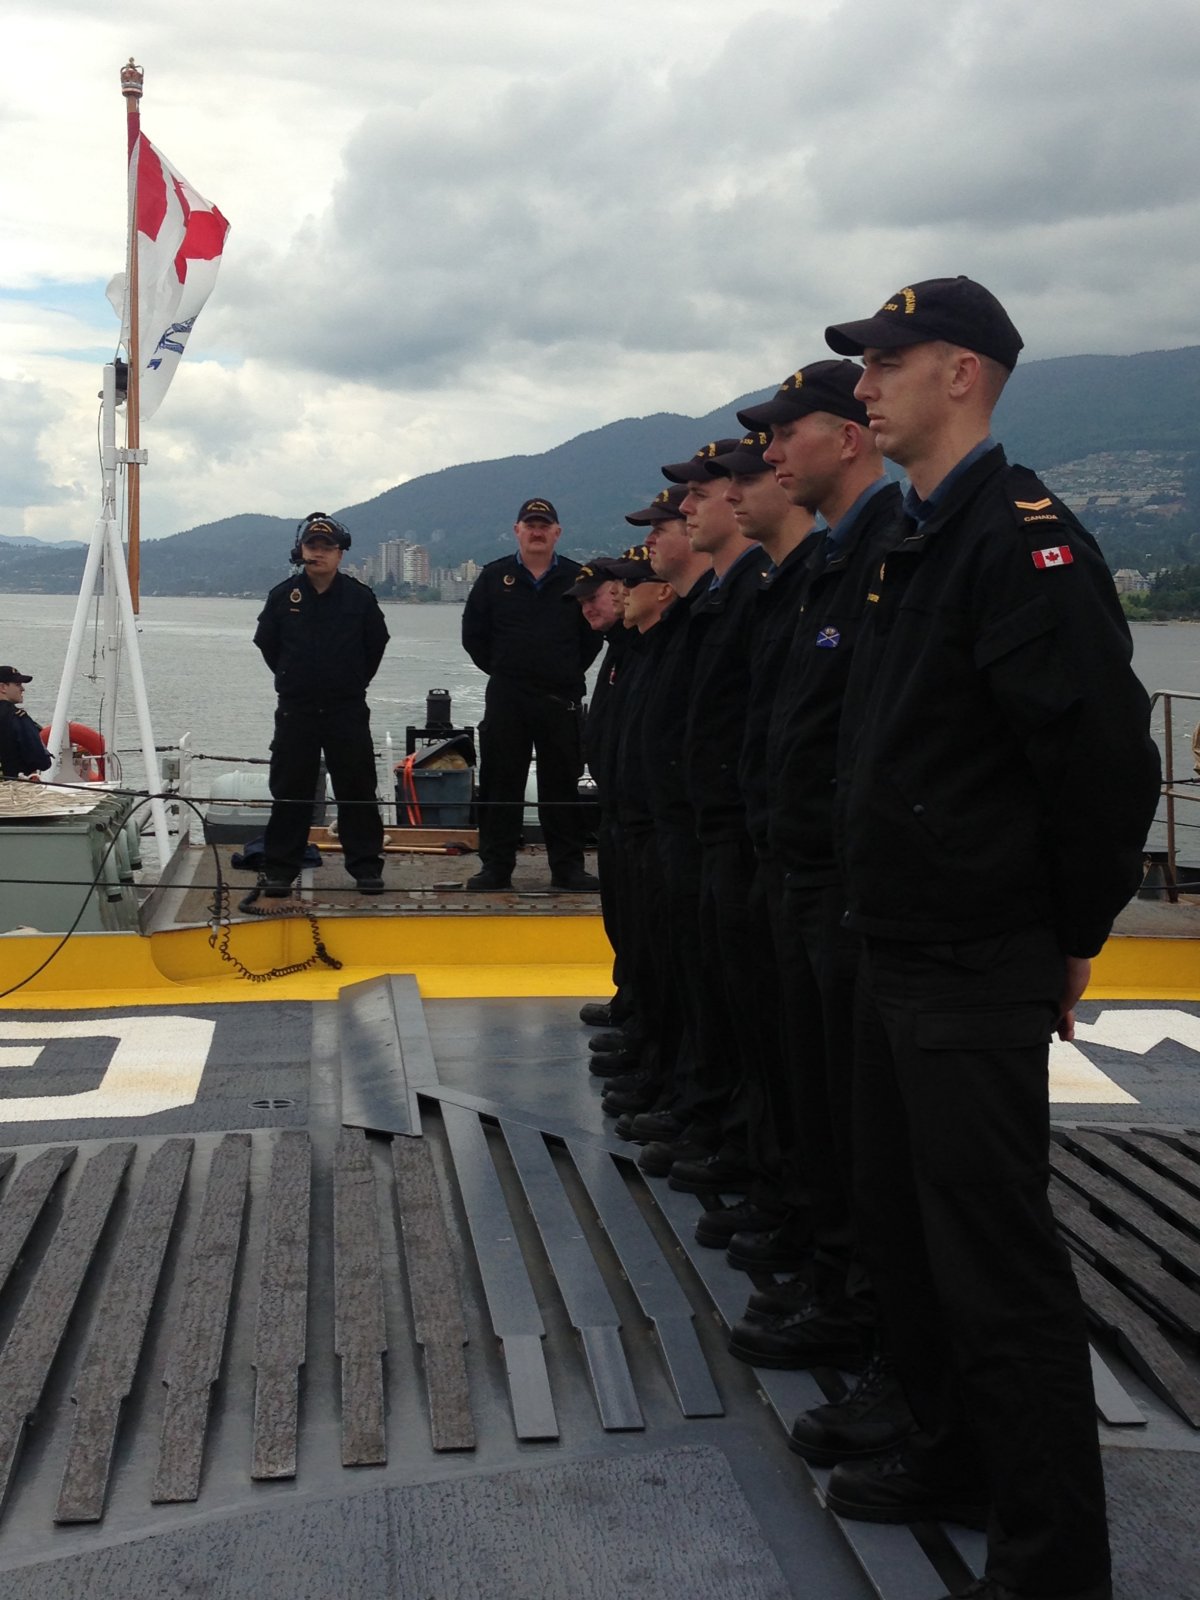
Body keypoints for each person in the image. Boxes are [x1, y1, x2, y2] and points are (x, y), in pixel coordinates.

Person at [820, 277, 1161, 1600]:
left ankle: (1051, 1561)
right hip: (902, 947)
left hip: (974, 961)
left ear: (959, 372)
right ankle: (950, 1453)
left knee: (1001, 1278)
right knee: (916, 1244)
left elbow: (1102, 766)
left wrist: (1069, 932)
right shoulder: (922, 536)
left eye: (885, 363)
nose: (865, 387)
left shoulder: (1022, 542)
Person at [461, 498, 603, 892]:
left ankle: (568, 868)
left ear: (557, 533)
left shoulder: (578, 579)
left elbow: (592, 636)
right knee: (500, 783)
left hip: (560, 697)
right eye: (530, 524)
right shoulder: (494, 577)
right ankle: (496, 868)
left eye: (545, 525)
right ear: (517, 530)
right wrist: (507, 669)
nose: (537, 531)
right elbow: (473, 636)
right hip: (508, 696)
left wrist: (563, 671)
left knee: (563, 785)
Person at [252, 513, 389, 899]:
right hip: (297, 710)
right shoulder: (283, 597)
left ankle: (366, 868)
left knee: (357, 789)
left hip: (346, 709)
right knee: (291, 791)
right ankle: (280, 869)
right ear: (302, 550)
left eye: (327, 548)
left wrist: (350, 681)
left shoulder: (359, 598)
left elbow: (375, 645)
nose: (320, 554)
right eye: (313, 547)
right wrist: (293, 678)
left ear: (340, 554)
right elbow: (268, 644)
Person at [0, 666, 54, 779]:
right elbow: (41, 761)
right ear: (3, 687)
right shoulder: (17, 718)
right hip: (14, 788)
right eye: (18, 684)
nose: (23, 689)